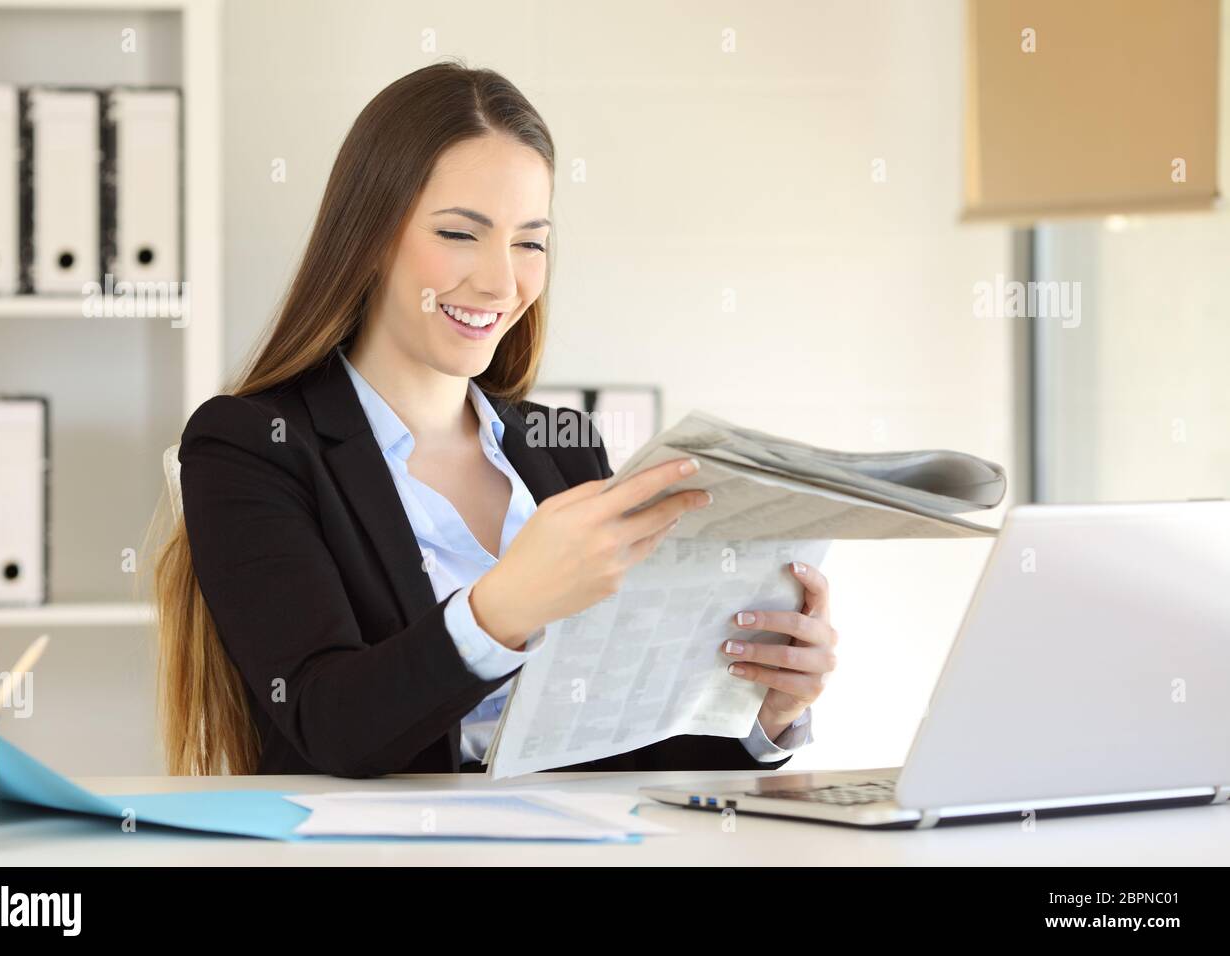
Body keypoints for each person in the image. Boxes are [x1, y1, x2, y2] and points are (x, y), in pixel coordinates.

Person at [151, 61, 838, 777]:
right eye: (458, 233)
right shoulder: (251, 447)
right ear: (370, 235)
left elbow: (620, 748)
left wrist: (763, 714)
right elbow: (329, 724)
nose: (501, 282)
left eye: (530, 241)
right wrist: (503, 608)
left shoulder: (562, 448)